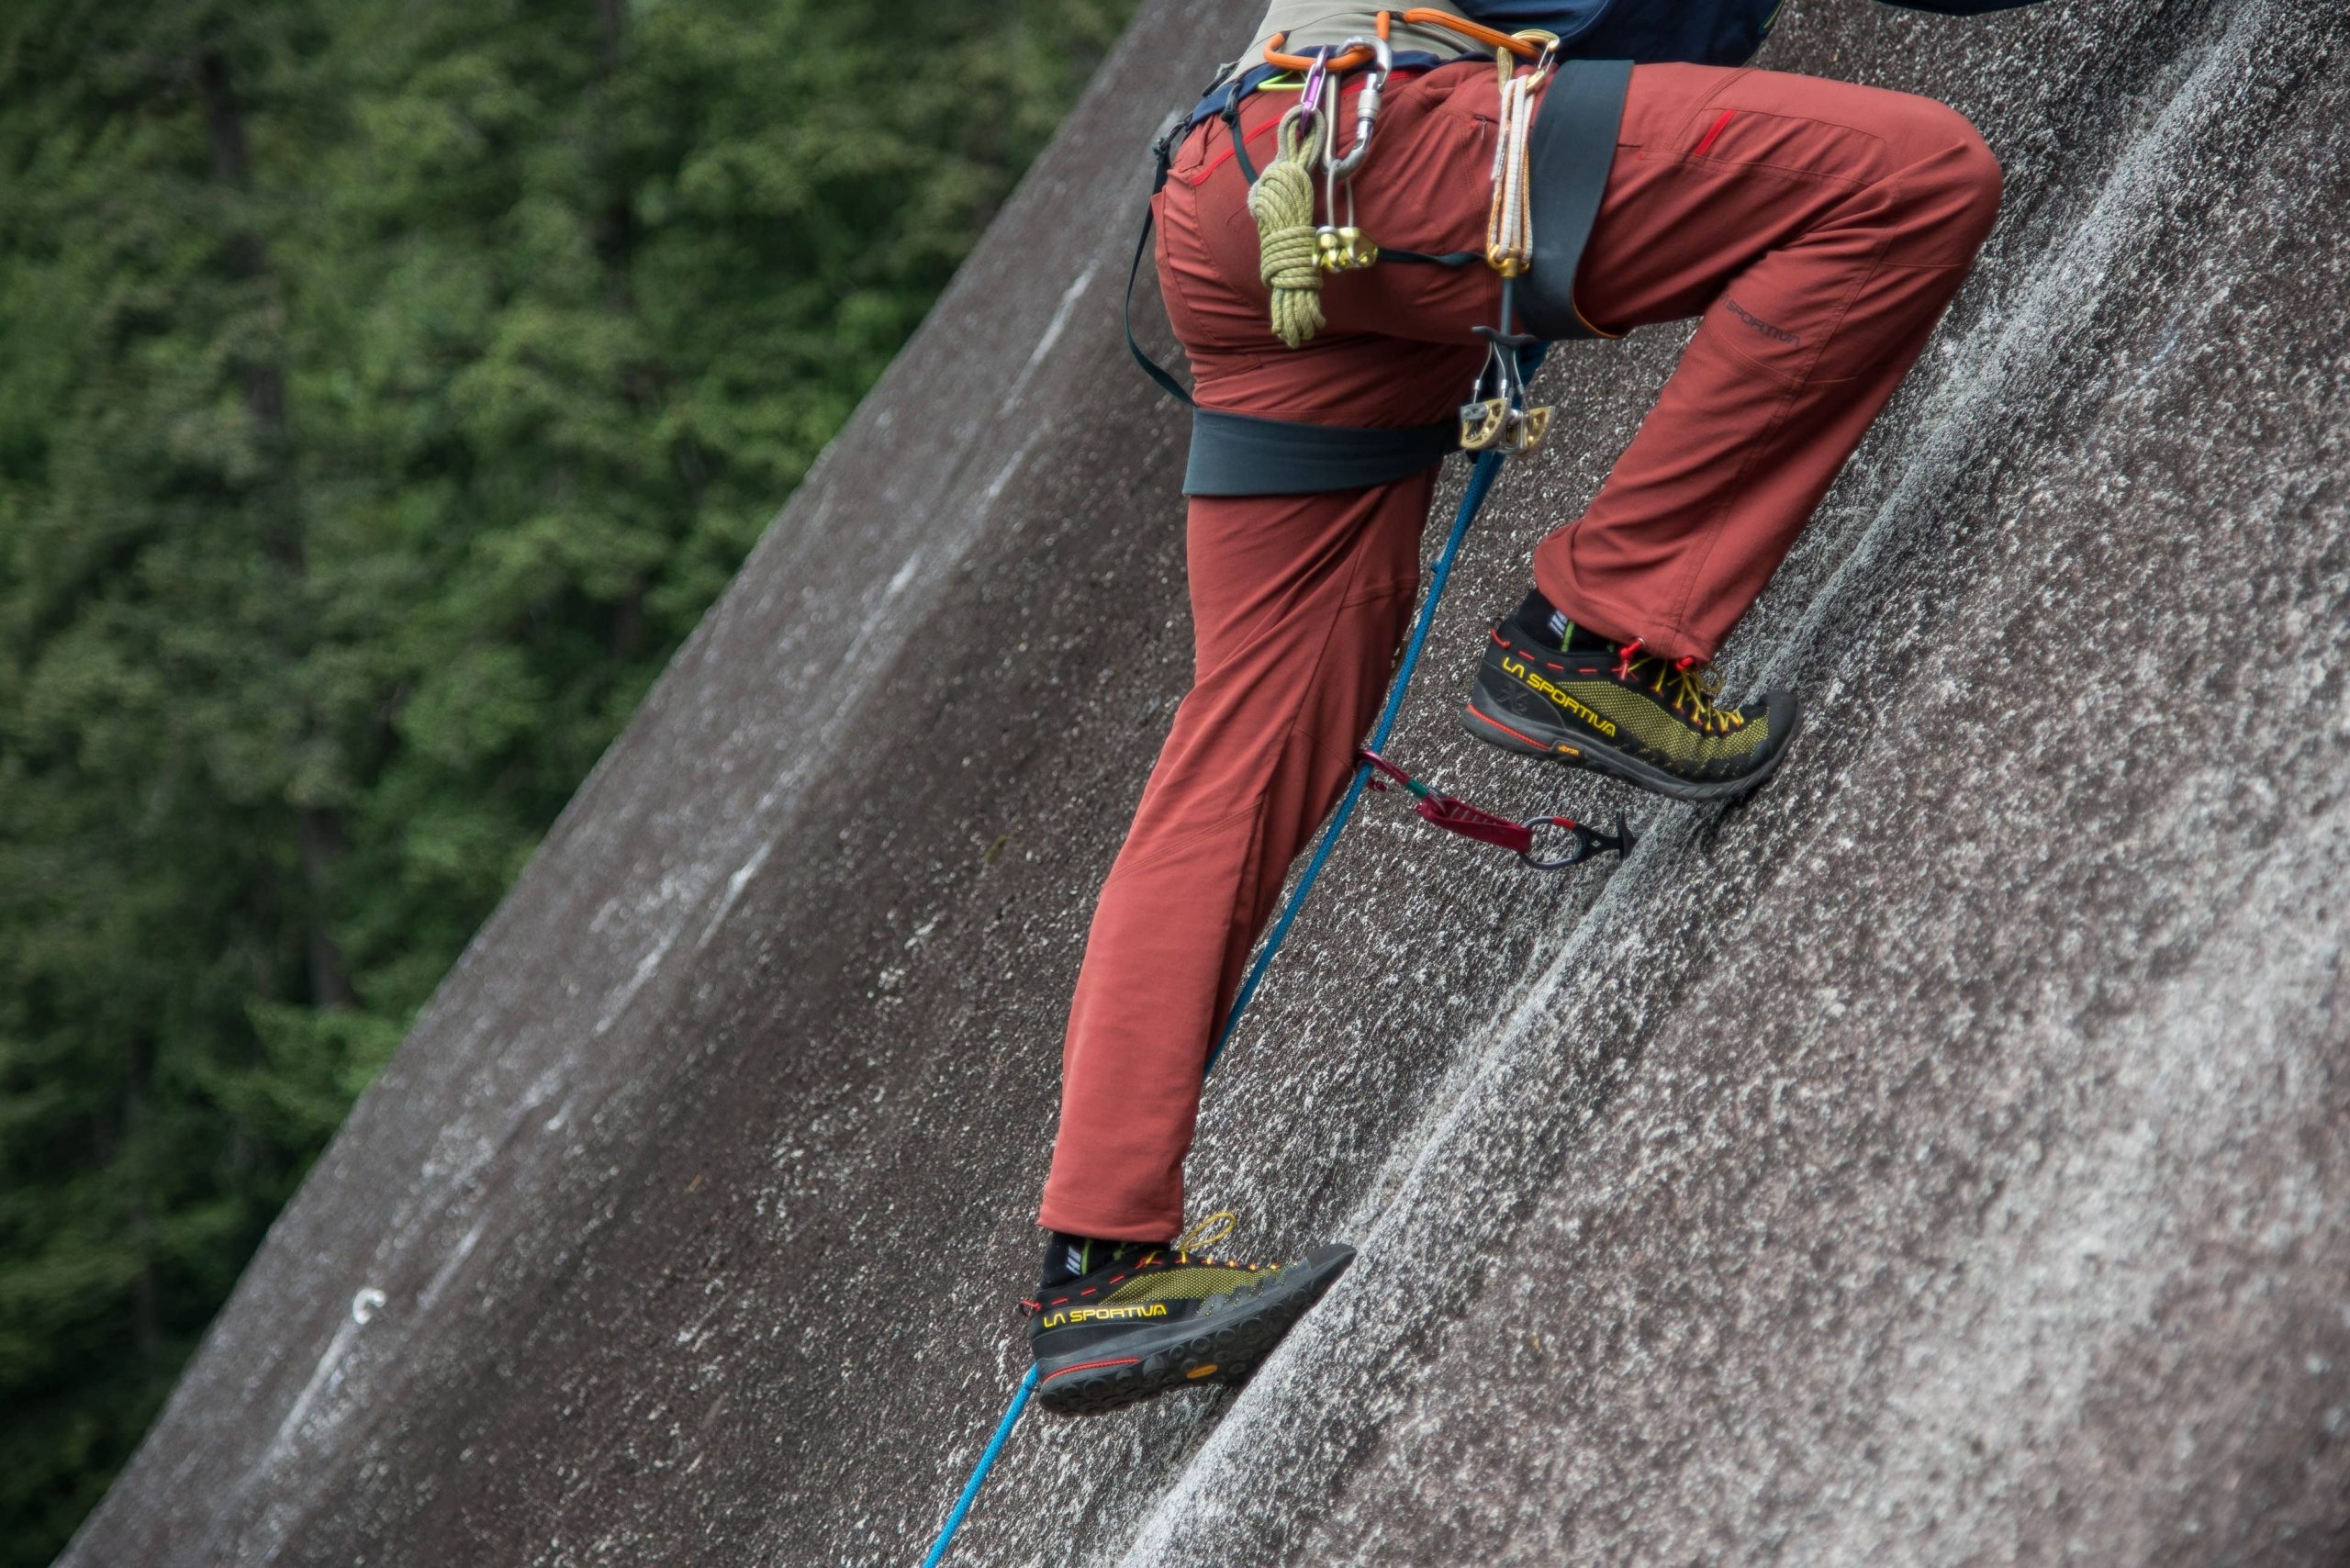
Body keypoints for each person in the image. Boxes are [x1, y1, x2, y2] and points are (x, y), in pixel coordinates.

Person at [1026, 0, 2032, 1415]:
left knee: (1244, 746)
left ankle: (1101, 1261)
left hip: (1248, 198)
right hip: (1386, 156)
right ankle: (1600, 633)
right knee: (1910, 176)